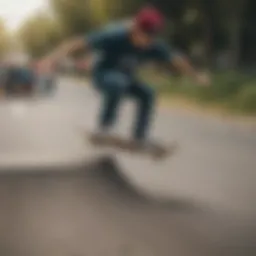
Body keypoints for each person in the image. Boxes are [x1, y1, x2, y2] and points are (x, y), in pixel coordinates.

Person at [38, 7, 210, 145]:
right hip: (103, 76)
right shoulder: (114, 36)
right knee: (117, 82)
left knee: (147, 93)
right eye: (144, 36)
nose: (147, 41)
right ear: (135, 28)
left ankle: (139, 136)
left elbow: (177, 60)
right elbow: (77, 43)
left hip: (127, 80)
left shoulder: (154, 45)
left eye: (151, 37)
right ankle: (105, 127)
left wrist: (195, 76)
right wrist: (50, 59)